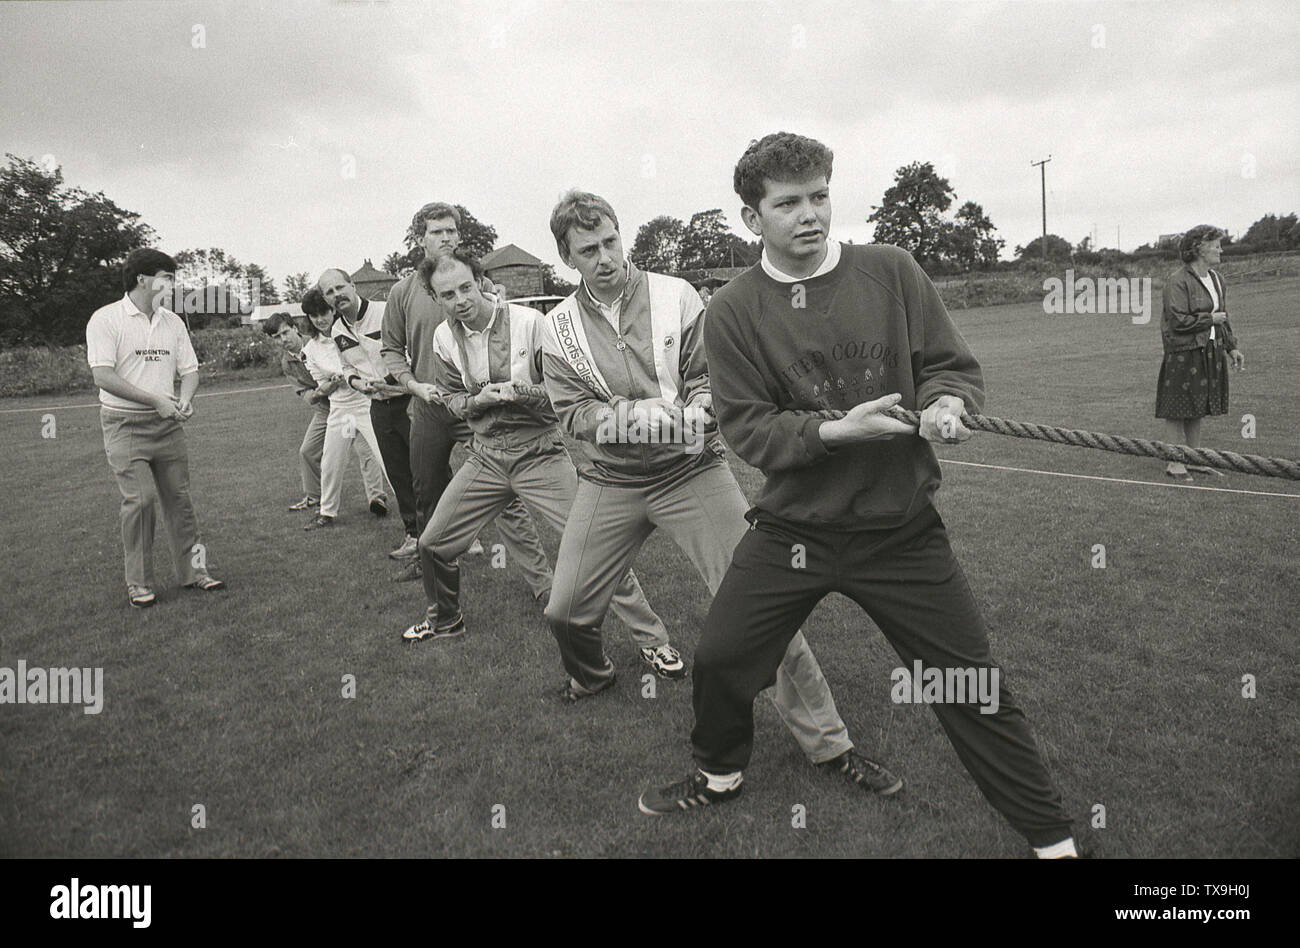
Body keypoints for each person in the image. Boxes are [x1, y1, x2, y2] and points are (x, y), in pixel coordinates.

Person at [637, 133, 1078, 859]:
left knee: (968, 685)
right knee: (720, 659)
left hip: (899, 528)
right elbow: (748, 430)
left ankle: (1053, 841)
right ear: (752, 218)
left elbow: (949, 366)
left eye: (819, 196)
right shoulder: (733, 311)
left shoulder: (891, 271)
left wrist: (948, 402)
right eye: (788, 204)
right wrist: (838, 431)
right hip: (795, 531)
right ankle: (719, 775)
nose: (809, 214)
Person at [539, 189, 897, 796]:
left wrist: (697, 410)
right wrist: (632, 418)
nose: (605, 258)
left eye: (610, 242)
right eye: (588, 251)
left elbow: (713, 377)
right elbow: (572, 413)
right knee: (565, 609)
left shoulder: (675, 295)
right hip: (611, 481)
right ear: (567, 258)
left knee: (758, 612)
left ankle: (830, 745)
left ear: (622, 235)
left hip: (691, 472)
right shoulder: (558, 328)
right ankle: (592, 676)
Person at [399, 250, 675, 665]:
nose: (460, 300)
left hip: (540, 454)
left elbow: (565, 396)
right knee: (433, 543)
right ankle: (445, 621)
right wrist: (476, 401)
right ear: (435, 298)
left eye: (466, 288)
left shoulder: (530, 323)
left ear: (480, 281)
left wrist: (521, 392)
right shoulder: (442, 337)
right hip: (486, 457)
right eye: (448, 295)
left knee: (595, 549)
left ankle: (653, 640)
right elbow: (451, 398)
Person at [380, 202, 551, 586]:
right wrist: (412, 384)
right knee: (426, 488)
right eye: (436, 232)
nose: (446, 238)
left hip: (478, 406)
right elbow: (390, 349)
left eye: (451, 231)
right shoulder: (401, 292)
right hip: (430, 406)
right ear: (420, 239)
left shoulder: (479, 284)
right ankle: (432, 564)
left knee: (506, 497)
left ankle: (541, 583)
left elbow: (502, 324)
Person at [86, 248, 225, 608]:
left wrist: (185, 398)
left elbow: (190, 371)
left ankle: (195, 572)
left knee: (180, 500)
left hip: (167, 425)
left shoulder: (173, 322)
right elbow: (103, 376)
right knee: (140, 501)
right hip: (123, 424)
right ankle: (139, 583)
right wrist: (155, 400)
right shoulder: (105, 319)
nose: (172, 285)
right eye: (167, 278)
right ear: (142, 279)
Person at [316, 269, 420, 558]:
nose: (337, 295)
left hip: (409, 401)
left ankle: (465, 534)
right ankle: (414, 534)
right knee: (398, 474)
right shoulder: (337, 330)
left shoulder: (386, 312)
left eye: (340, 287)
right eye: (329, 292)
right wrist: (357, 383)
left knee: (429, 467)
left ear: (352, 285)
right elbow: (347, 366)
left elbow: (412, 352)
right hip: (378, 407)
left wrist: (389, 380)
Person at [262, 302, 383, 514]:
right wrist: (325, 388)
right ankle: (314, 497)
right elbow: (309, 397)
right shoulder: (287, 363)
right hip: (325, 410)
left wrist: (337, 384)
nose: (283, 340)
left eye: (285, 332)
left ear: (295, 328)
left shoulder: (320, 341)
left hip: (352, 403)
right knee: (307, 451)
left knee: (365, 451)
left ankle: (377, 499)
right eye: (277, 337)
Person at [1156, 225, 1245, 480]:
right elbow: (1177, 321)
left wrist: (1232, 347)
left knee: (1197, 407)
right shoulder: (1177, 281)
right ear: (1199, 248)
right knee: (1178, 408)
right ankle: (1174, 463)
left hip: (1211, 349)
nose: (1221, 250)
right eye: (1216, 245)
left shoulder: (1217, 279)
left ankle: (1193, 459)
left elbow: (1223, 317)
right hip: (1184, 351)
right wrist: (1209, 319)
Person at [299, 290, 392, 530]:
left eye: (324, 313)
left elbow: (369, 365)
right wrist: (332, 383)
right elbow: (321, 386)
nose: (320, 319)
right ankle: (326, 512)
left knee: (386, 458)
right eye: (314, 316)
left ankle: (414, 509)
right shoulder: (310, 349)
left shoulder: (348, 332)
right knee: (331, 462)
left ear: (333, 310)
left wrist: (353, 378)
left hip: (366, 404)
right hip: (340, 410)